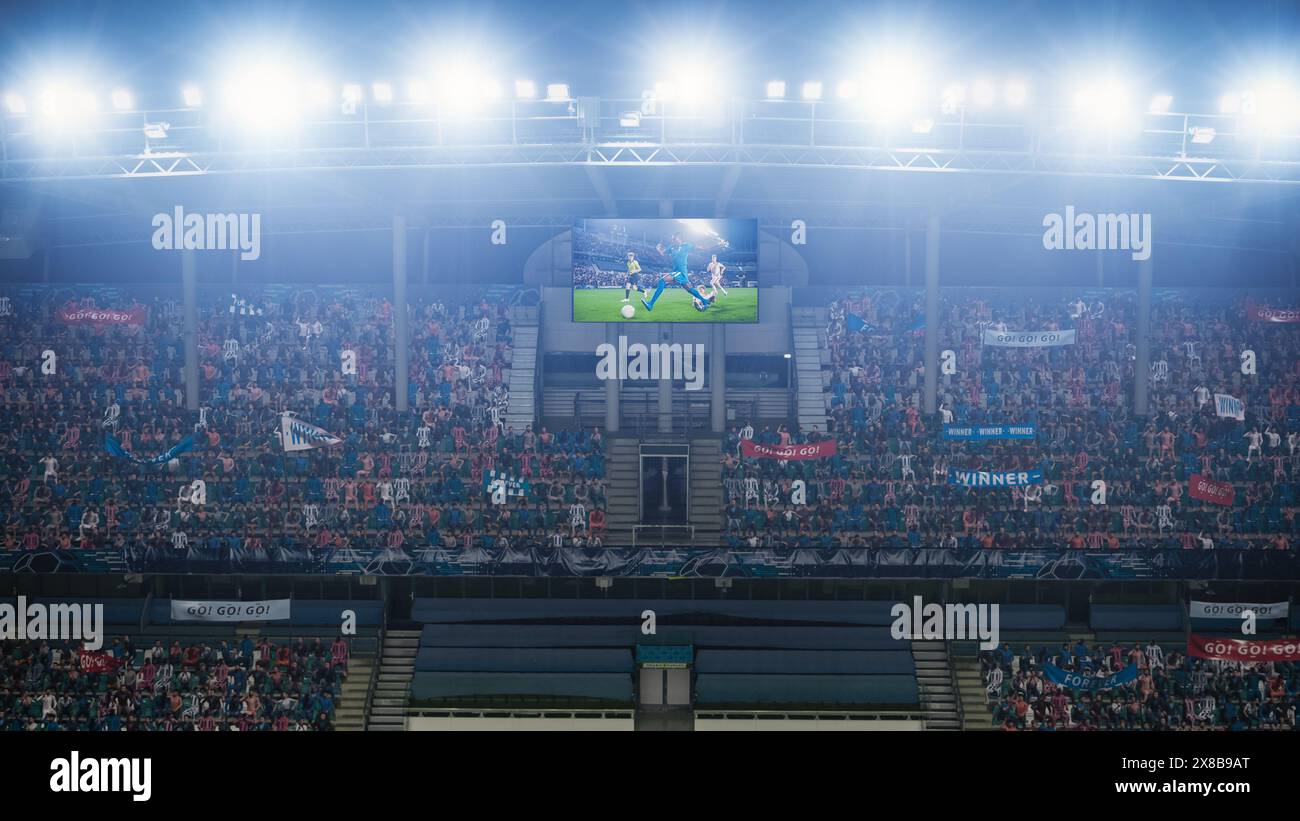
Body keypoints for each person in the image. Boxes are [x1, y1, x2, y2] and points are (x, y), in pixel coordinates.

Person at [641, 232, 716, 313]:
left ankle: (650, 304)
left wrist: (713, 244)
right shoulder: (672, 247)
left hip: (681, 271)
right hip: (676, 271)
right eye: (672, 238)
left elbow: (702, 247)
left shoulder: (687, 245)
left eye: (674, 238)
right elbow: (663, 253)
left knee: (662, 280)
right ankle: (705, 301)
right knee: (690, 289)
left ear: (680, 237)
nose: (672, 239)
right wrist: (659, 248)